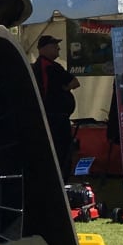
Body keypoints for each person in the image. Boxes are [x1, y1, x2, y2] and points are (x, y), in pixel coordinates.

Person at [32, 34, 80, 176]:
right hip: (56, 118)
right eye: (54, 46)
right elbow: (75, 82)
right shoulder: (50, 66)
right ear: (44, 48)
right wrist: (65, 88)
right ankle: (61, 176)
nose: (58, 48)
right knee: (61, 151)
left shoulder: (38, 67)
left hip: (49, 117)